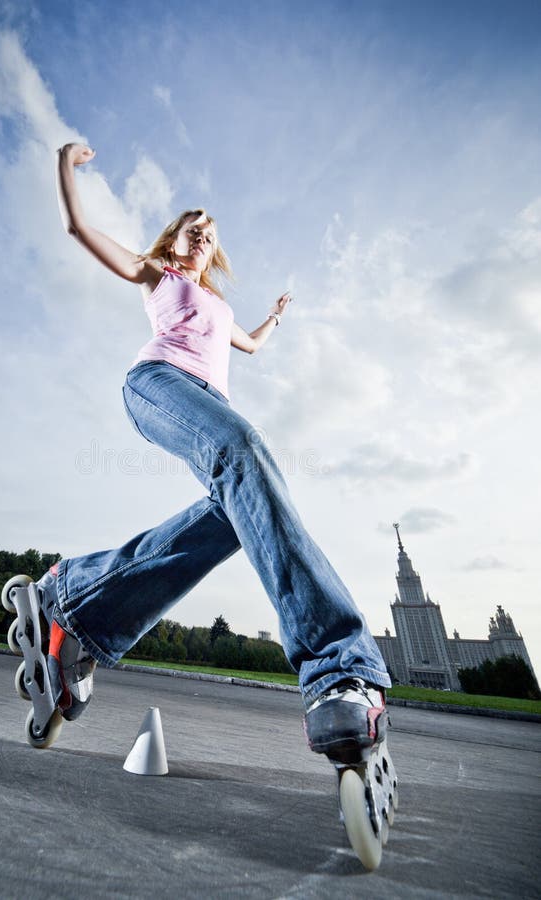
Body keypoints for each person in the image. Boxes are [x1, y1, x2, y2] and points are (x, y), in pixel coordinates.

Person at [34, 142, 391, 761]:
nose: (202, 237)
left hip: (212, 401)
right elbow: (78, 226)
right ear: (174, 240)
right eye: (192, 229)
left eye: (210, 233)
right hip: (157, 384)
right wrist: (67, 162)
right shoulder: (157, 275)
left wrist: (275, 317)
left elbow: (249, 344)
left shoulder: (220, 307)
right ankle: (338, 669)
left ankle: (75, 599)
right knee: (247, 453)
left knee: (238, 515)